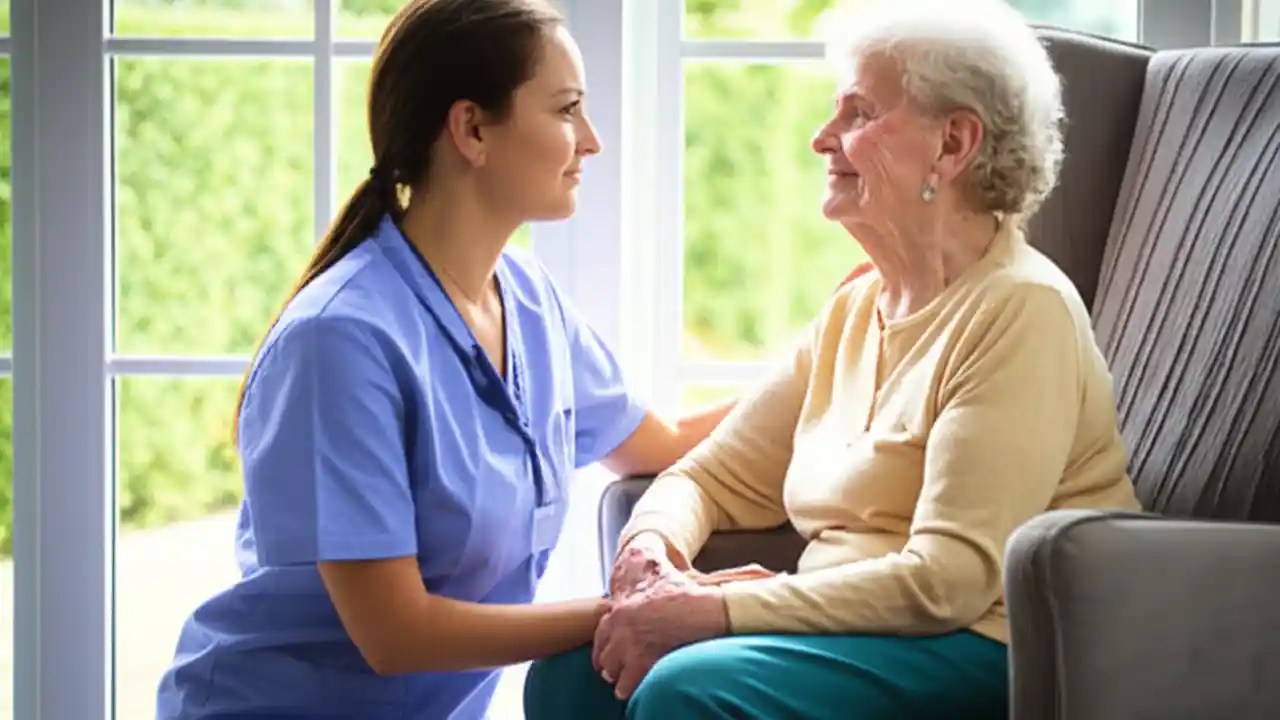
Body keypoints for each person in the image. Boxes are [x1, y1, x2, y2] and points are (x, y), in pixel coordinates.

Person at [523, 1, 1144, 718]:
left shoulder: (1021, 310)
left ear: (952, 144)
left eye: (858, 112)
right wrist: (651, 553)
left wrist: (722, 610)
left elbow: (949, 581)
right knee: (574, 671)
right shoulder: (855, 311)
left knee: (681, 690)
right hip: (856, 633)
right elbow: (707, 478)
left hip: (989, 645)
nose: (822, 138)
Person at [154, 1, 733, 717]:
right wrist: (641, 613)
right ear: (472, 129)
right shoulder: (339, 342)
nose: (592, 140)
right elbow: (396, 633)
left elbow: (664, 444)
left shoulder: (529, 301)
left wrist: (831, 353)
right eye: (567, 110)